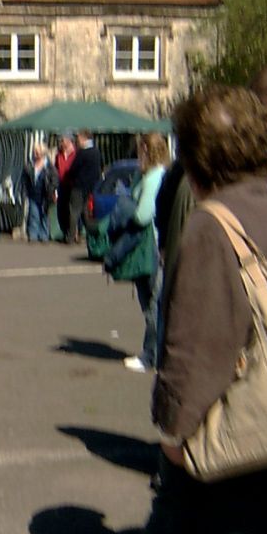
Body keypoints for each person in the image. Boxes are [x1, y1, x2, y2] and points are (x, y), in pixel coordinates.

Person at [120, 85, 267, 534]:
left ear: (193, 155)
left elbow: (195, 351)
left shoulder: (214, 226)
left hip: (232, 454)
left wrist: (173, 432)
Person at [118, 132, 169, 373]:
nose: (138, 155)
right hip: (149, 248)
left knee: (153, 304)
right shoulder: (147, 175)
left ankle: (151, 356)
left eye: (141, 151)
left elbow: (143, 214)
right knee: (152, 303)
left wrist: (127, 206)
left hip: (150, 249)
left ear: (148, 151)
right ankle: (155, 353)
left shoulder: (154, 177)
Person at [65, 129, 102, 243]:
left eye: (79, 138)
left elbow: (74, 169)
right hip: (91, 187)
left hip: (79, 186)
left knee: (74, 211)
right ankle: (92, 234)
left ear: (83, 138)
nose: (77, 140)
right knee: (85, 212)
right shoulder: (96, 152)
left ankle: (70, 237)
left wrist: (70, 176)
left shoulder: (82, 153)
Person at [18, 142, 58, 243]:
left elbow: (55, 180)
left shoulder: (50, 167)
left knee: (44, 215)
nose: (35, 154)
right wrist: (23, 192)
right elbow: (24, 180)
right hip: (33, 194)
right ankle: (33, 235)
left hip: (45, 195)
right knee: (33, 215)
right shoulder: (29, 165)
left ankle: (44, 236)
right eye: (34, 152)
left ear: (43, 153)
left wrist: (52, 191)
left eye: (37, 152)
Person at [53, 130, 76, 240]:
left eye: (62, 140)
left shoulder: (76, 155)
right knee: (61, 211)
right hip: (61, 186)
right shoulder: (58, 155)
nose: (60, 142)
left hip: (73, 187)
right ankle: (65, 231)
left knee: (72, 211)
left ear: (69, 140)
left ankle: (73, 233)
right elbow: (56, 170)